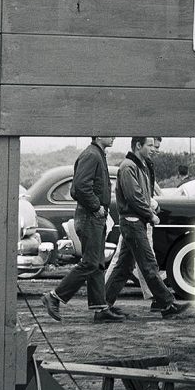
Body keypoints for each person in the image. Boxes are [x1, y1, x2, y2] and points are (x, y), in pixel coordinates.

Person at [41, 136, 124, 323]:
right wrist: (96, 206)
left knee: (97, 263)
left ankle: (100, 308)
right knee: (91, 263)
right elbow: (79, 187)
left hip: (93, 217)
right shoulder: (92, 155)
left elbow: (78, 188)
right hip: (90, 217)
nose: (114, 136)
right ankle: (54, 297)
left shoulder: (96, 154)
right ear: (98, 134)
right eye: (109, 132)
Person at [104, 137, 190, 318]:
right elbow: (134, 197)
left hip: (134, 222)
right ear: (138, 146)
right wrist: (150, 215)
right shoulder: (129, 167)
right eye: (149, 145)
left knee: (123, 268)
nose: (153, 149)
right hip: (133, 223)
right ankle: (167, 304)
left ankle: (103, 305)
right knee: (148, 265)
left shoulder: (137, 166)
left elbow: (139, 196)